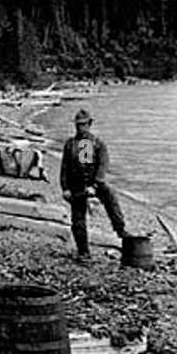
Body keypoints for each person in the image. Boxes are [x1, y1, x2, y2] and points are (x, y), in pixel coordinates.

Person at [60, 108, 129, 262]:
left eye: (84, 124)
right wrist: (65, 188)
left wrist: (95, 186)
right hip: (76, 187)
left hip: (95, 183)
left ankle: (121, 231)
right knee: (78, 220)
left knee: (111, 198)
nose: (80, 128)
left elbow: (103, 165)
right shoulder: (70, 144)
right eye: (78, 125)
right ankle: (83, 252)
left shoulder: (98, 144)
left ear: (90, 124)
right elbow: (64, 168)